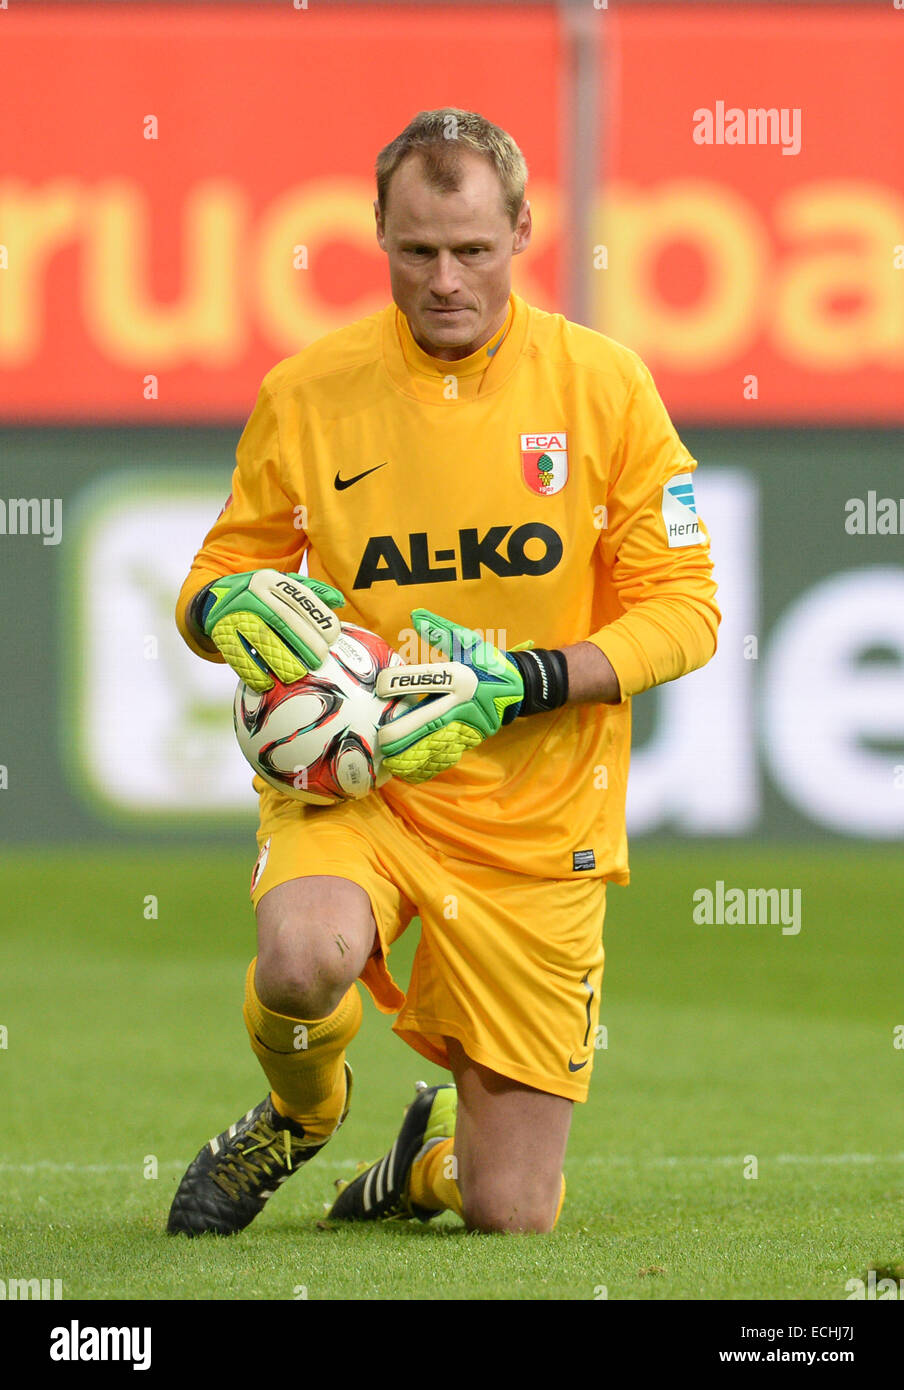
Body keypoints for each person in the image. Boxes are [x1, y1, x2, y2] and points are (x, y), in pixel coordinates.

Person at [167, 108, 720, 1237]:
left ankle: (420, 1167)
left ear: (523, 229)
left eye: (472, 249)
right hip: (365, 779)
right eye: (416, 250)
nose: (445, 279)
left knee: (514, 1213)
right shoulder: (310, 392)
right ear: (379, 236)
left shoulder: (605, 388)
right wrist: (218, 603)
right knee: (301, 957)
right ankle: (296, 1113)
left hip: (538, 811)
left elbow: (688, 610)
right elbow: (226, 564)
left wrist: (527, 679)